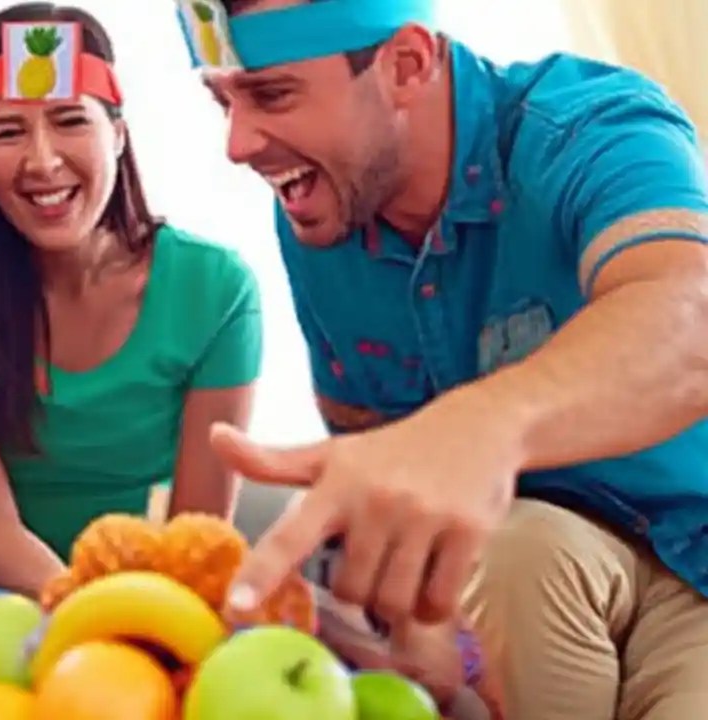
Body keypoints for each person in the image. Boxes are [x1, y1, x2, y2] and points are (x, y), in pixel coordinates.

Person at [172, 1, 708, 718]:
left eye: (272, 95)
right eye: (222, 100)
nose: (236, 144)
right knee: (517, 551)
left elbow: (689, 318)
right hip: (538, 565)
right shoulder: (323, 216)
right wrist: (393, 619)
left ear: (406, 64)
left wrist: (485, 423)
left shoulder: (585, 128)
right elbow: (373, 450)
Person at [0, 2, 263, 689]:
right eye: (7, 132)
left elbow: (195, 534)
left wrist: (141, 630)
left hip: (144, 598)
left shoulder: (216, 287)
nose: (42, 161)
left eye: (69, 120)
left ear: (118, 133)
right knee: (30, 652)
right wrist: (97, 627)